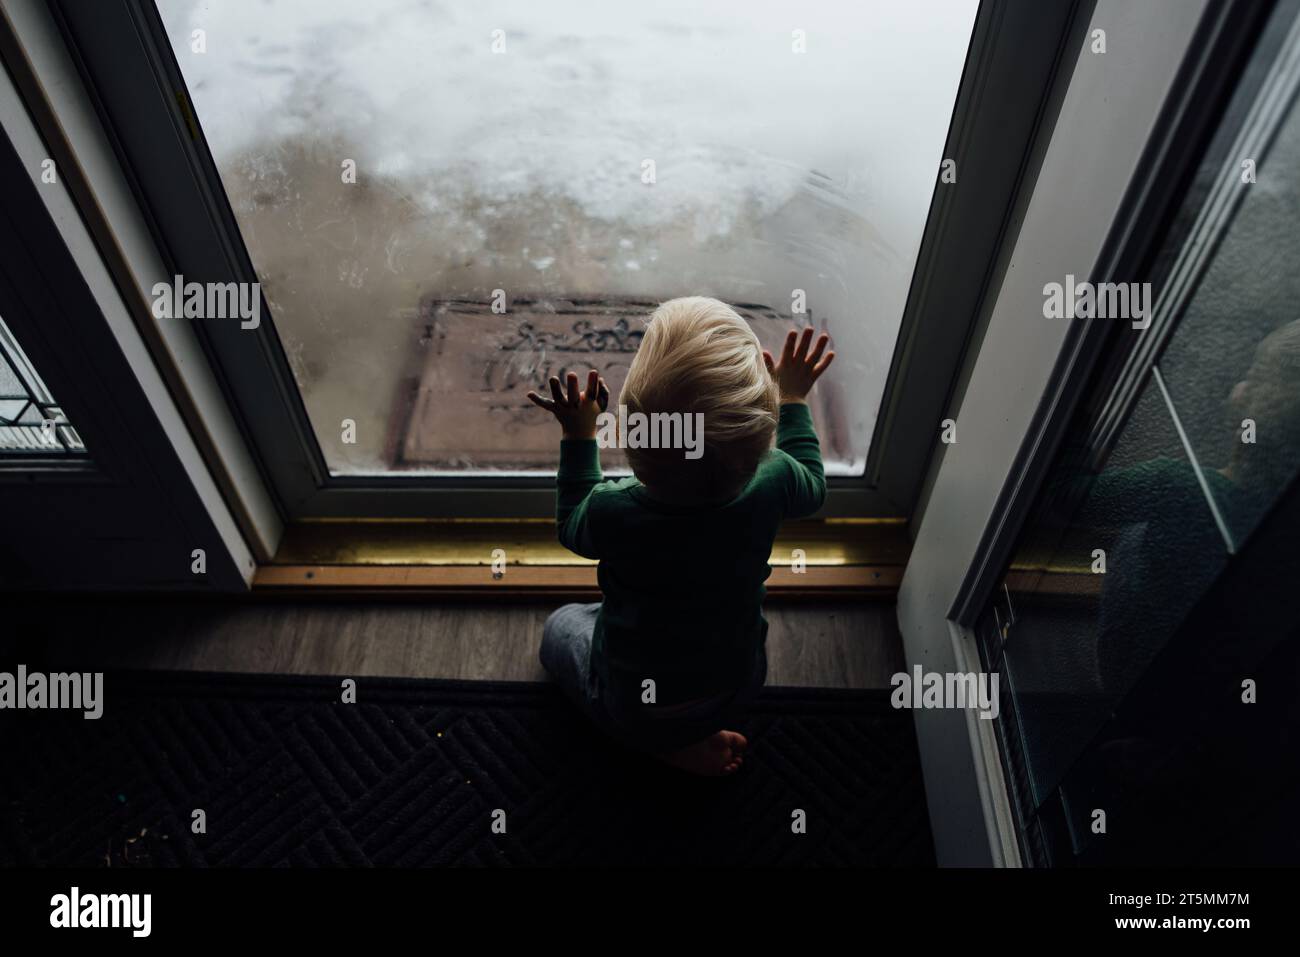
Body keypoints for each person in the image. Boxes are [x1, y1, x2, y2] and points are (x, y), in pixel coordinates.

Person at [526, 297, 834, 775]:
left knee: (561, 626)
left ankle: (663, 748)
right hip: (736, 680)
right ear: (761, 435)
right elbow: (813, 488)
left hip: (634, 703)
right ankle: (694, 734)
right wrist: (793, 401)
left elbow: (573, 529)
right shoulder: (775, 479)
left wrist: (578, 436)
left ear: (632, 436)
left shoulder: (614, 509)